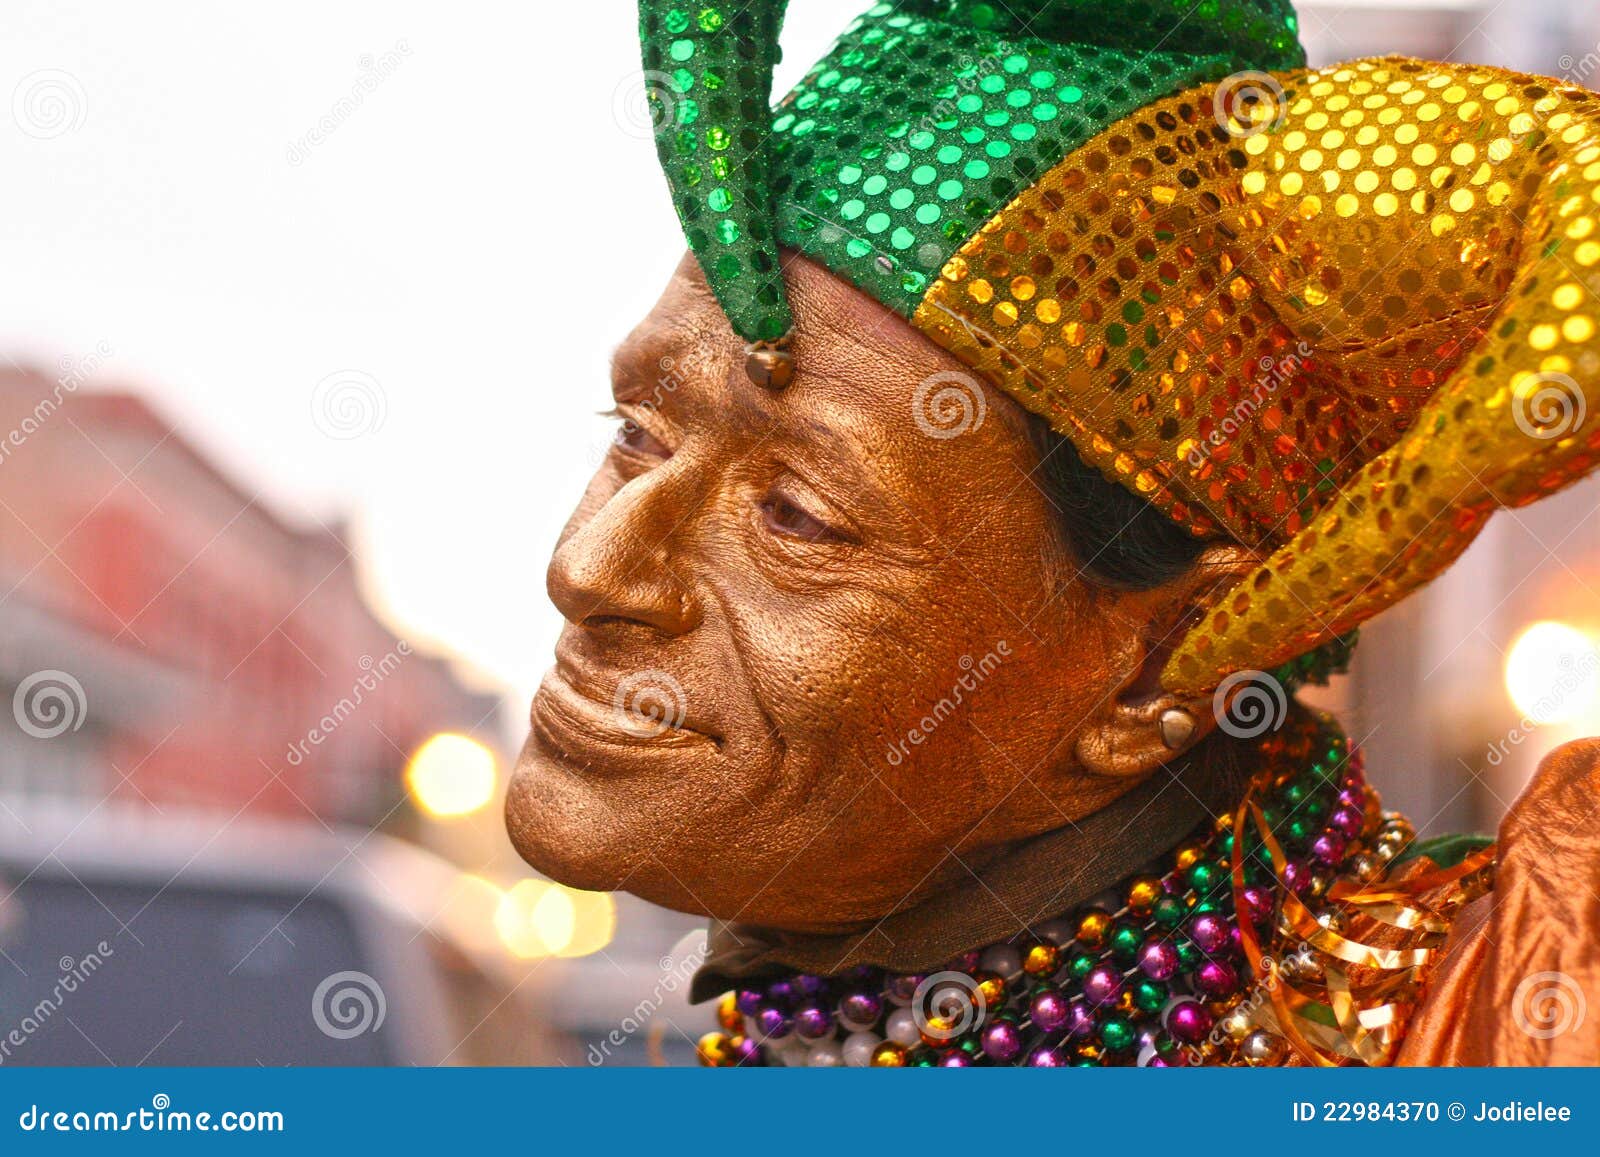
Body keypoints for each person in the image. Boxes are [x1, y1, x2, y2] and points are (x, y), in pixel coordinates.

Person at [506, 0, 1600, 1065]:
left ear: (1157, 666)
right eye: (639, 433)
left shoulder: (1513, 1027)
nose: (586, 566)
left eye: (797, 515)